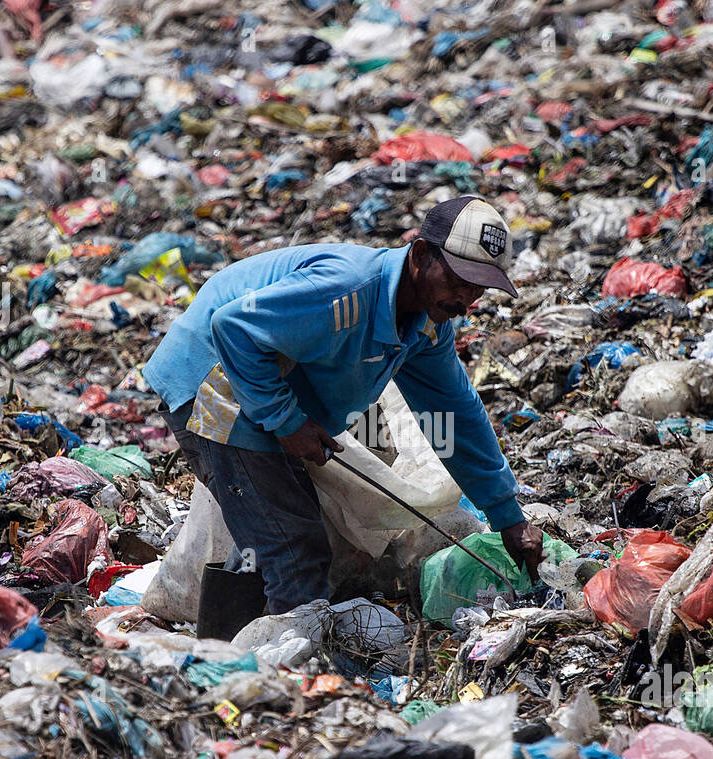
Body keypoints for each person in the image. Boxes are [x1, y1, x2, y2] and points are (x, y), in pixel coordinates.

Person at [144, 194, 546, 613]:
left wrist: (508, 517)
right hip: (215, 383)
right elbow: (233, 328)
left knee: (280, 532)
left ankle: (241, 639)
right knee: (294, 552)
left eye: (477, 288)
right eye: (458, 280)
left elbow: (453, 414)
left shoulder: (426, 324)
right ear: (422, 254)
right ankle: (280, 666)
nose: (465, 300)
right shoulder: (348, 289)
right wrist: (287, 422)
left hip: (259, 389)